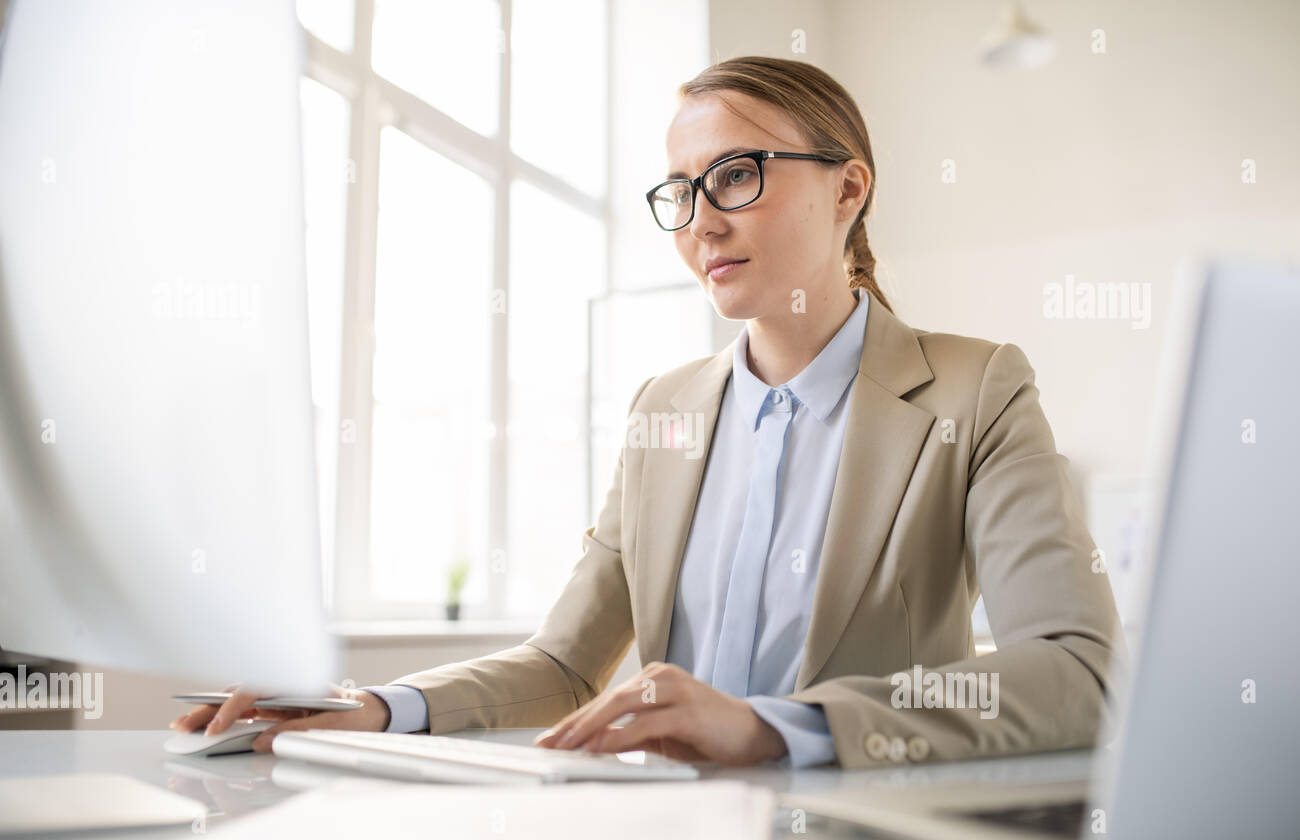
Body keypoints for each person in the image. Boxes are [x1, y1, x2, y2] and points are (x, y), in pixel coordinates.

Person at [172, 55, 1126, 769]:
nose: (701, 220)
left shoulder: (976, 388)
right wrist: (376, 707)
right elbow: (564, 661)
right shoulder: (663, 410)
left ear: (849, 187)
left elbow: (1076, 671)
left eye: (737, 174)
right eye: (682, 191)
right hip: (670, 839)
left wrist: (771, 726)